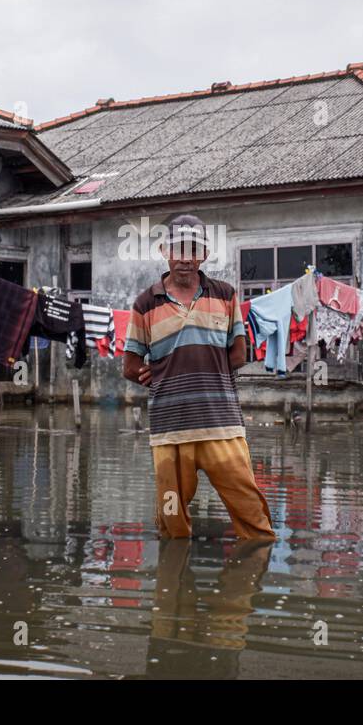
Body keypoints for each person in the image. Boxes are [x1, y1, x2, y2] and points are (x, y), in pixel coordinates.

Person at [122, 214, 276, 541]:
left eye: (194, 249)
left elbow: (239, 354)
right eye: (179, 249)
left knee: (253, 518)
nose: (185, 258)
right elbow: (130, 365)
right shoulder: (144, 303)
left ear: (203, 254)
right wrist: (156, 372)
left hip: (222, 424)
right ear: (165, 250)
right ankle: (174, 589)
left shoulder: (225, 295)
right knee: (171, 522)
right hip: (169, 429)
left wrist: (199, 366)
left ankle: (248, 585)